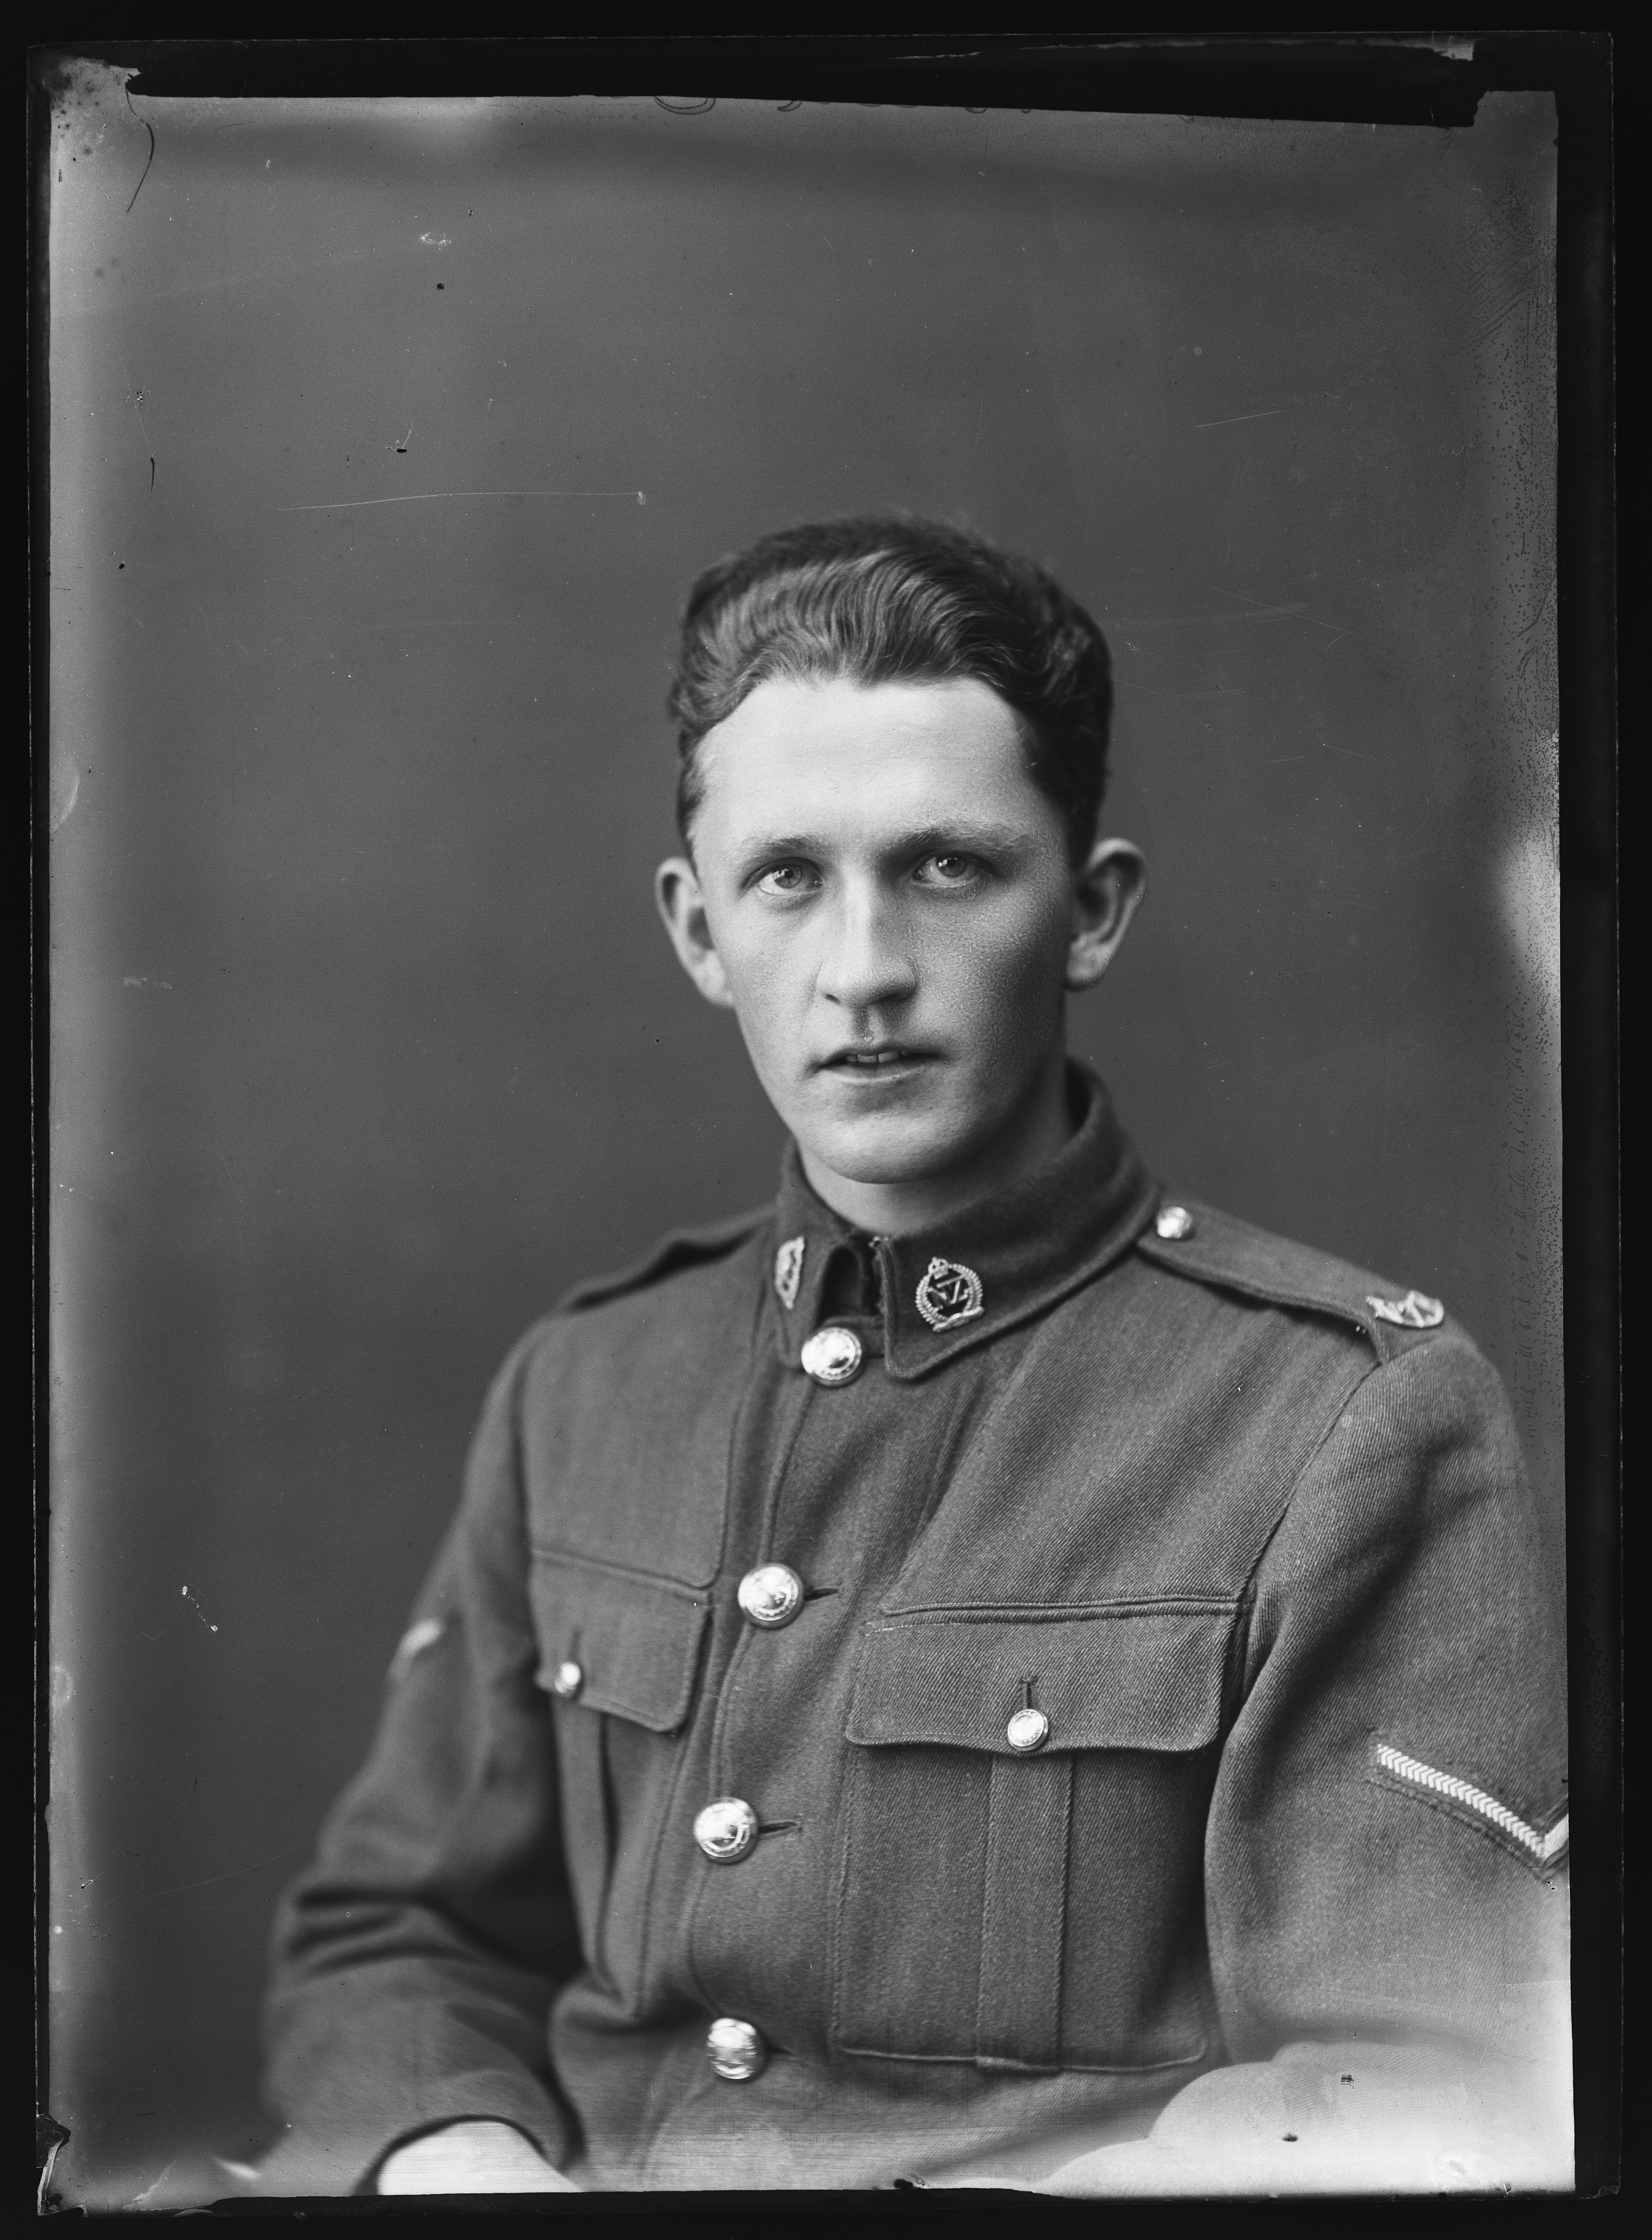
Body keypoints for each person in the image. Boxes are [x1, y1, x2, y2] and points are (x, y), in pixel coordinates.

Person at [256, 517, 1570, 2196]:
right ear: (696, 930)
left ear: (1087, 911)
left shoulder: (1343, 1418)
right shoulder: (587, 1385)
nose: (863, 968)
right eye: (787, 876)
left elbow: (1424, 2091)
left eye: (945, 865)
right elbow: (400, 1929)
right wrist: (462, 2164)